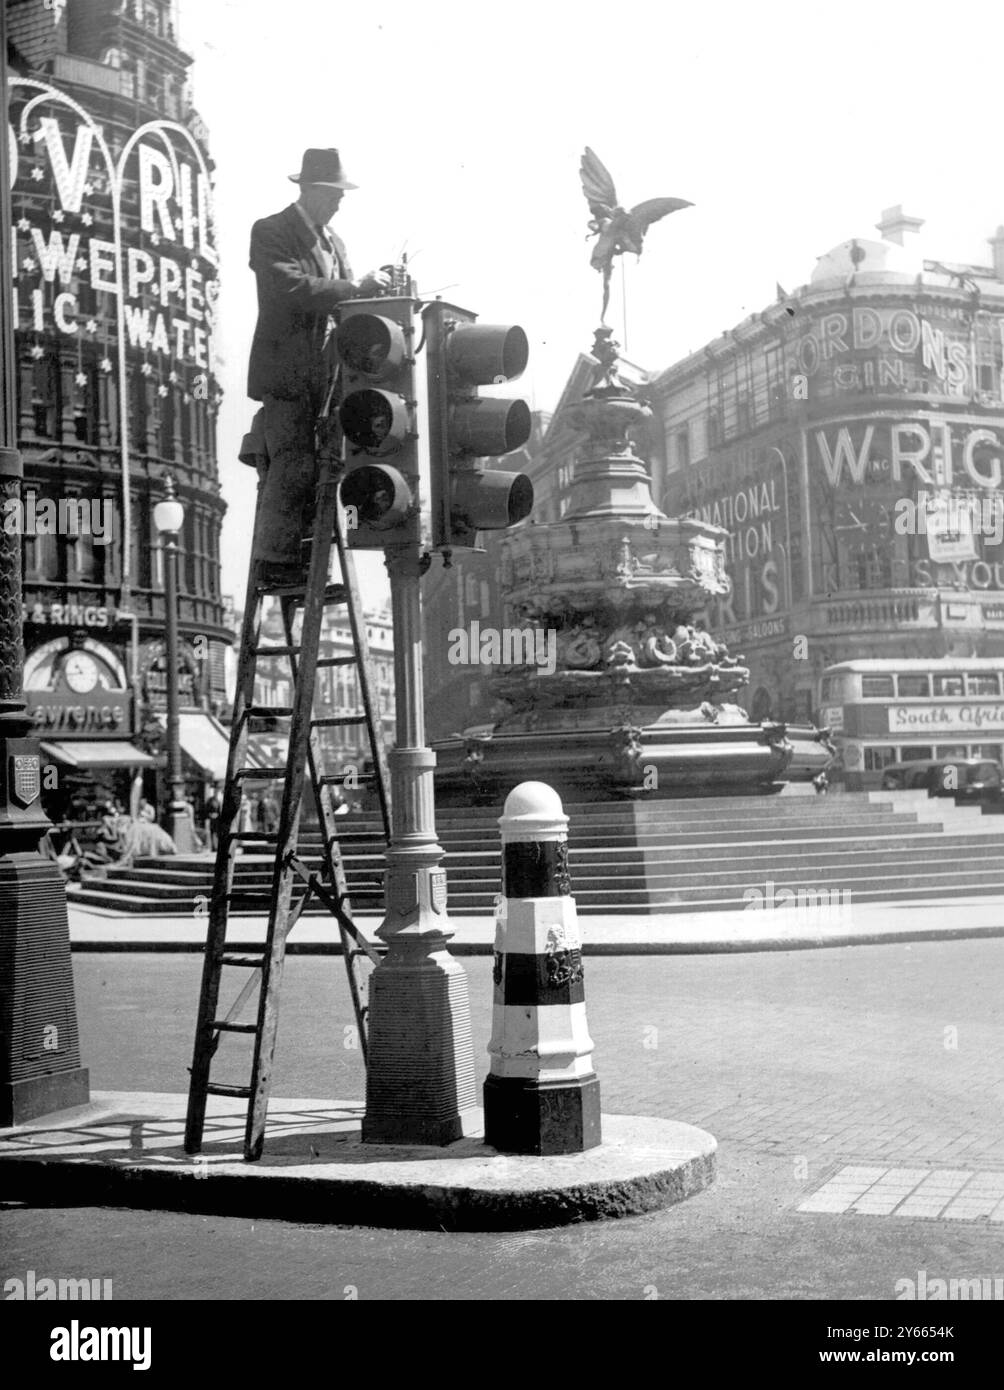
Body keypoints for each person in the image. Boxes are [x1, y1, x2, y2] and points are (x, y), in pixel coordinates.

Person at [247, 147, 390, 584]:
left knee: (327, 467)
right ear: (310, 190)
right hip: (288, 372)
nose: (339, 203)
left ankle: (310, 565)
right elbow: (287, 287)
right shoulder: (271, 230)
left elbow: (341, 296)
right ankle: (275, 562)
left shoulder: (334, 243)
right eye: (333, 194)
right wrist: (353, 286)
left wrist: (371, 291)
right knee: (292, 462)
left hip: (328, 376)